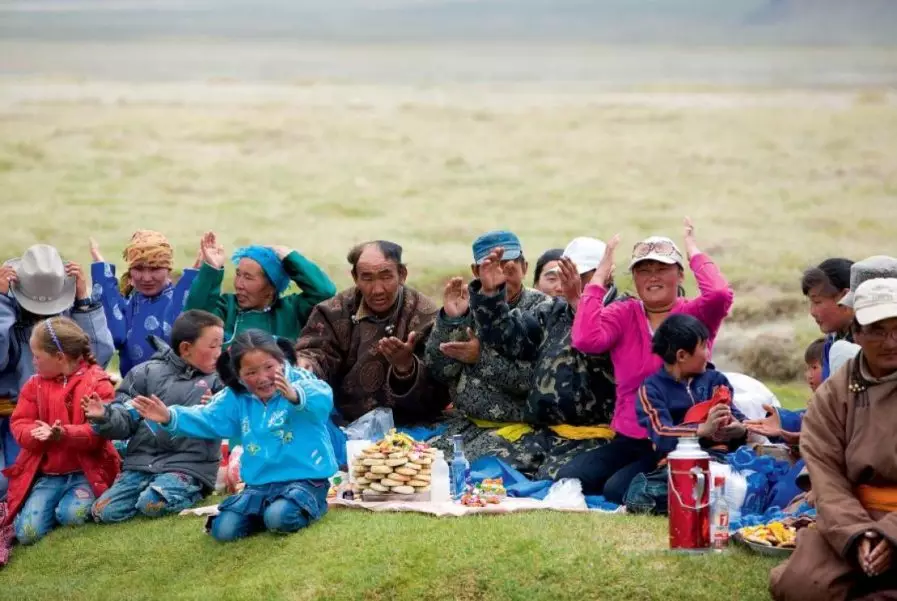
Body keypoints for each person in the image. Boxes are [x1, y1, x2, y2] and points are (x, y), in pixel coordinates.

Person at [562, 218, 734, 503]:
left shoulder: (695, 315)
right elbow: (585, 339)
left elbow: (719, 293)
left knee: (617, 490)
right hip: (631, 436)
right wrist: (599, 278)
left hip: (682, 436)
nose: (653, 277)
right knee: (571, 478)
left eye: (662, 269)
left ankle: (686, 476)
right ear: (635, 279)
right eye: (644, 270)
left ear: (679, 276)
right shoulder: (624, 313)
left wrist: (692, 250)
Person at [132, 329, 337, 542]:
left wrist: (296, 396)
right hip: (260, 484)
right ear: (238, 374)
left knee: (279, 519)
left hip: (305, 480)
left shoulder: (298, 379)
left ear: (281, 361)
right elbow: (208, 416)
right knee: (224, 530)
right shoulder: (237, 395)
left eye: (269, 367)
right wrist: (169, 416)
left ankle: (307, 505)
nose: (262, 378)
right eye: (251, 372)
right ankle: (266, 511)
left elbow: (323, 396)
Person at [770, 278, 897, 600]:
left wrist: (891, 535)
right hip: (852, 519)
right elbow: (826, 478)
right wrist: (858, 535)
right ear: (856, 333)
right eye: (878, 330)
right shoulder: (835, 393)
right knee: (800, 585)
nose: (892, 342)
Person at [459, 237, 619, 479]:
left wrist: (580, 305)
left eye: (580, 275)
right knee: (478, 466)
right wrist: (491, 296)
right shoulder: (551, 311)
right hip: (546, 434)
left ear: (605, 275)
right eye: (565, 275)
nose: (569, 283)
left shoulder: (622, 311)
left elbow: (600, 354)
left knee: (555, 477)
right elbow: (509, 340)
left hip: (594, 436)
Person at [86, 310, 225, 523]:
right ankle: (149, 489)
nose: (219, 352)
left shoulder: (219, 380)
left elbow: (233, 413)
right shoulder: (145, 373)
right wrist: (104, 416)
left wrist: (216, 405)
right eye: (213, 346)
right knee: (102, 512)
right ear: (186, 348)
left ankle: (192, 490)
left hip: (187, 465)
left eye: (221, 345)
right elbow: (125, 418)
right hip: (141, 463)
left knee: (150, 505)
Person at [0, 244, 114, 500]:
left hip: (65, 415)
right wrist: (2, 305)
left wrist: (84, 302)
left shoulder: (68, 309)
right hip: (12, 415)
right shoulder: (6, 308)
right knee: (4, 484)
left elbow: (98, 356)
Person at [424, 231, 548, 463]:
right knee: (422, 462)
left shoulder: (542, 309)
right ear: (475, 271)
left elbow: (536, 381)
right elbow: (439, 371)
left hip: (520, 429)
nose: (500, 278)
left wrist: (480, 358)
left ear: (525, 267)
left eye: (508, 269)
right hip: (467, 424)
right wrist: (451, 321)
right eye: (492, 268)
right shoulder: (467, 304)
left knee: (469, 471)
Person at [295, 241, 450, 427]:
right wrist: (307, 365)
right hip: (344, 421)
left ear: (402, 274)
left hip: (409, 424)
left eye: (386, 277)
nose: (377, 290)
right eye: (367, 278)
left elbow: (440, 384)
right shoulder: (333, 311)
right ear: (355, 277)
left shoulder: (425, 315)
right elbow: (314, 350)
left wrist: (406, 368)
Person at [1, 317, 120, 544]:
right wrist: (35, 434)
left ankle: (67, 506)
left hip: (87, 472)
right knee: (27, 534)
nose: (33, 361)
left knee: (71, 516)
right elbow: (19, 423)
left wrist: (63, 434)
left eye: (37, 356)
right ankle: (50, 508)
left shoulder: (98, 383)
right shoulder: (34, 385)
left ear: (59, 357)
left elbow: (98, 434)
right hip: (49, 475)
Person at [624, 314, 746, 514]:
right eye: (704, 347)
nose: (708, 353)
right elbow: (661, 433)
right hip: (679, 465)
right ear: (682, 356)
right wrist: (701, 430)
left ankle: (707, 495)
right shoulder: (651, 389)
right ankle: (716, 495)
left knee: (748, 474)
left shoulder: (716, 380)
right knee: (639, 493)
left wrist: (739, 429)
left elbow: (738, 416)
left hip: (720, 459)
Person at [185, 232, 336, 345]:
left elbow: (325, 292)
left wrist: (290, 257)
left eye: (248, 277)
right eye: (238, 274)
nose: (238, 284)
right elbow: (194, 317)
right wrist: (212, 270)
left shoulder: (292, 310)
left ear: (271, 287)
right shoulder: (226, 307)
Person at [89, 231, 200, 377]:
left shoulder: (178, 301)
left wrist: (199, 267)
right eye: (139, 269)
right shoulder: (128, 305)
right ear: (130, 271)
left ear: (168, 269)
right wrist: (99, 263)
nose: (146, 278)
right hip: (131, 393)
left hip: (174, 393)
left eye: (155, 269)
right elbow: (114, 332)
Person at [801, 257, 855, 381]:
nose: (812, 312)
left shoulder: (870, 347)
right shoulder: (830, 343)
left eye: (817, 302)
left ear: (845, 298)